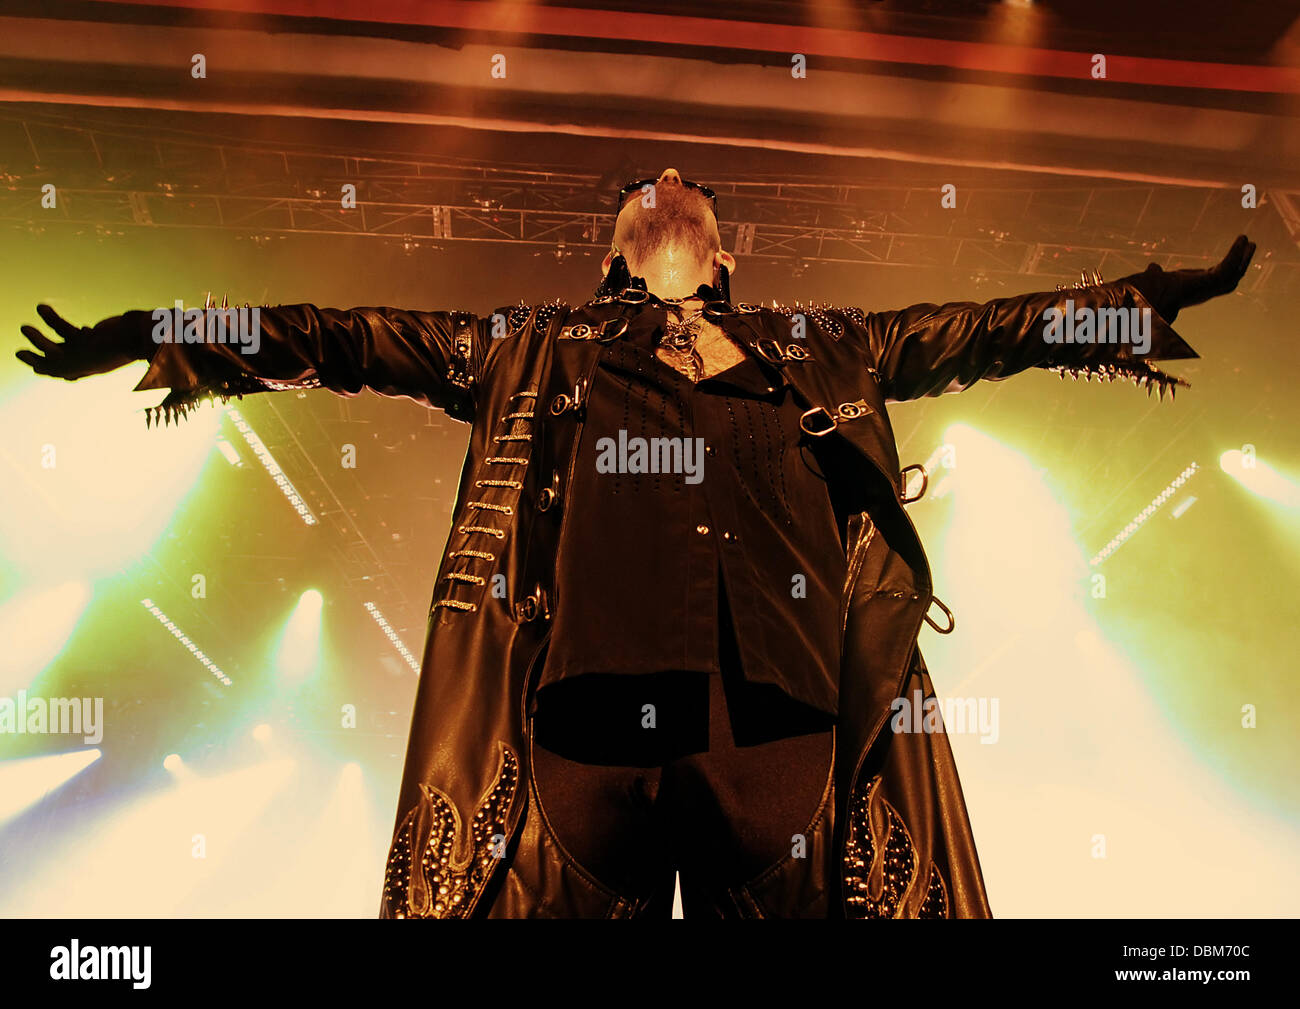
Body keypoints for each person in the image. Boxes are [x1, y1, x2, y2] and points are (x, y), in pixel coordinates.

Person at [16, 168, 1255, 918]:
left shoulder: (822, 343)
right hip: (577, 739)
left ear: (725, 250)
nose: (668, 178)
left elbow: (987, 328)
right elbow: (337, 335)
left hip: (779, 735)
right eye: (642, 189)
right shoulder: (529, 342)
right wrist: (160, 325)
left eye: (691, 188)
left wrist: (1132, 303)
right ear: (613, 249)